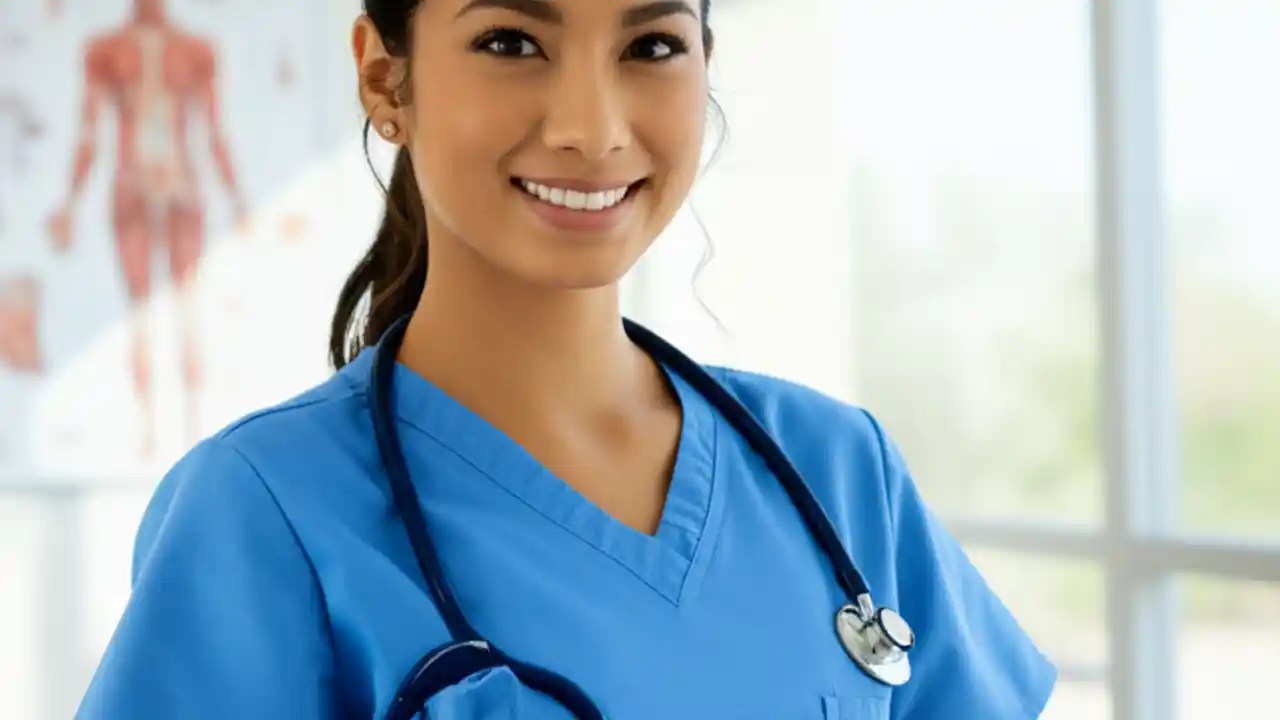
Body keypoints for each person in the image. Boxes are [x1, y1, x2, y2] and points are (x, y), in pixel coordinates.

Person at [76, 0, 1057, 717]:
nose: (590, 128)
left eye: (650, 46)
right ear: (385, 78)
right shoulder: (265, 512)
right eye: (510, 42)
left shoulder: (838, 469)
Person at [48, 0, 246, 457]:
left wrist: (70, 206)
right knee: (153, 309)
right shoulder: (118, 50)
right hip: (155, 183)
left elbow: (213, 132)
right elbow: (90, 134)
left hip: (153, 183)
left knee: (171, 307)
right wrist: (69, 207)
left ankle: (168, 432)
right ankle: (154, 433)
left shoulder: (182, 50)